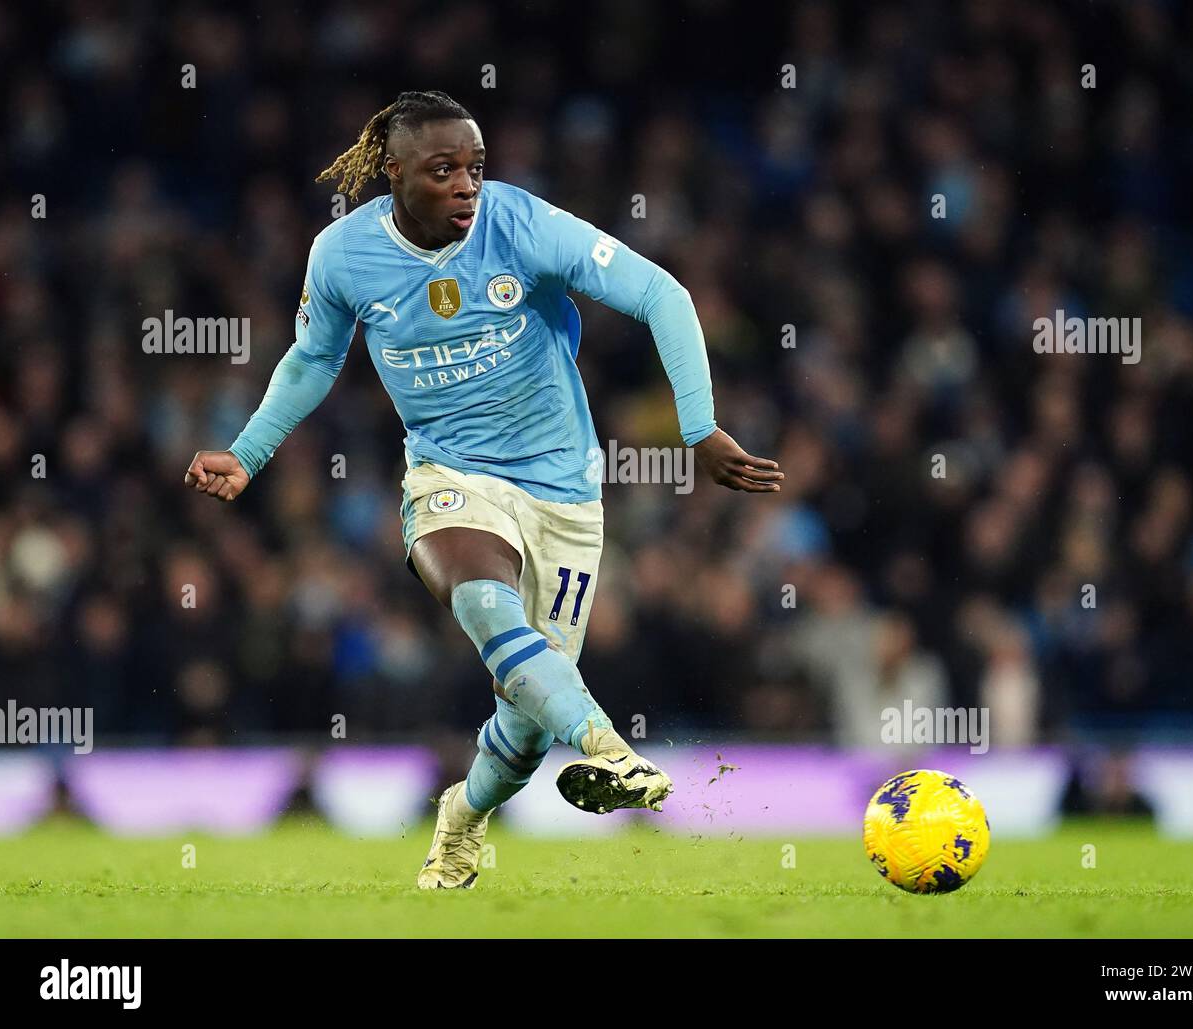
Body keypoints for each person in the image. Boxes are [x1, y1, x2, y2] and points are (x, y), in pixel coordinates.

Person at [183, 91, 783, 888]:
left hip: (563, 492)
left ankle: (464, 813)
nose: (467, 185)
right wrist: (249, 453)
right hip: (449, 475)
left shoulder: (521, 223)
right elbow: (314, 359)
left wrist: (699, 429)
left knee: (523, 728)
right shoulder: (342, 255)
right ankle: (609, 745)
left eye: (475, 167)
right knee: (478, 593)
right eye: (443, 170)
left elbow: (660, 295)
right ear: (393, 173)